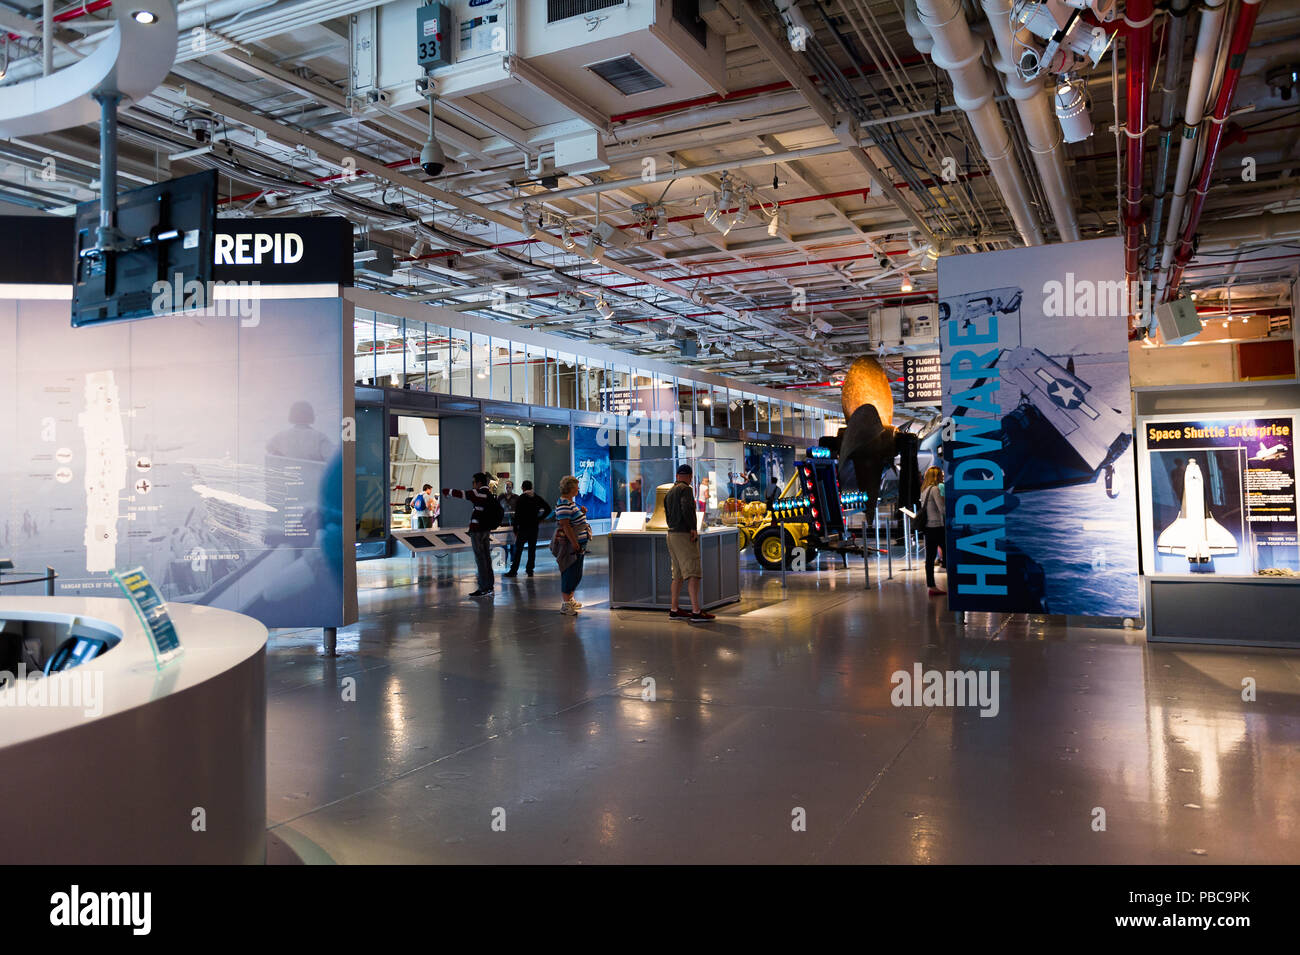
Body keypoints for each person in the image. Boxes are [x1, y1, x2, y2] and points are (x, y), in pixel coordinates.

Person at [665, 464, 715, 623]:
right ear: (689, 476)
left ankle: (674, 609)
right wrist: (693, 528)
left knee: (677, 574)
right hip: (682, 534)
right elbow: (687, 508)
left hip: (671, 534)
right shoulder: (685, 489)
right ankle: (696, 611)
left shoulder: (669, 492)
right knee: (693, 572)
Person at [443, 472, 497, 598]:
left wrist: (447, 491)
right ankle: (489, 585)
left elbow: (462, 494)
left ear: (479, 483)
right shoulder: (489, 495)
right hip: (485, 530)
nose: (472, 485)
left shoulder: (479, 493)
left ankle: (483, 587)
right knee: (486, 558)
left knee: (480, 559)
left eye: (473, 482)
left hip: (477, 530)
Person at [554, 475, 590, 615]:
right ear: (570, 488)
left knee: (576, 572)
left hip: (579, 543)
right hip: (571, 545)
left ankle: (571, 599)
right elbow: (566, 526)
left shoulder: (570, 502)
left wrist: (582, 513)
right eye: (576, 486)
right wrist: (574, 543)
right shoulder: (564, 503)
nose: (579, 488)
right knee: (569, 571)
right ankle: (566, 604)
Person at [503, 480, 551, 578]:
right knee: (532, 549)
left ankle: (514, 571)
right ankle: (530, 569)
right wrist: (539, 519)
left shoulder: (521, 499)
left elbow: (517, 515)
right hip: (534, 527)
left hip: (523, 528)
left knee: (518, 550)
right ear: (531, 487)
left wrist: (515, 528)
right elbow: (548, 509)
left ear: (522, 488)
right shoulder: (537, 497)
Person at [919, 465, 946, 596]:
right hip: (937, 527)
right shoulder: (935, 489)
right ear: (936, 476)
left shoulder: (924, 490)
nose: (942, 476)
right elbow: (942, 509)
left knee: (929, 558)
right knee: (948, 554)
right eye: (940, 474)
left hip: (928, 528)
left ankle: (931, 586)